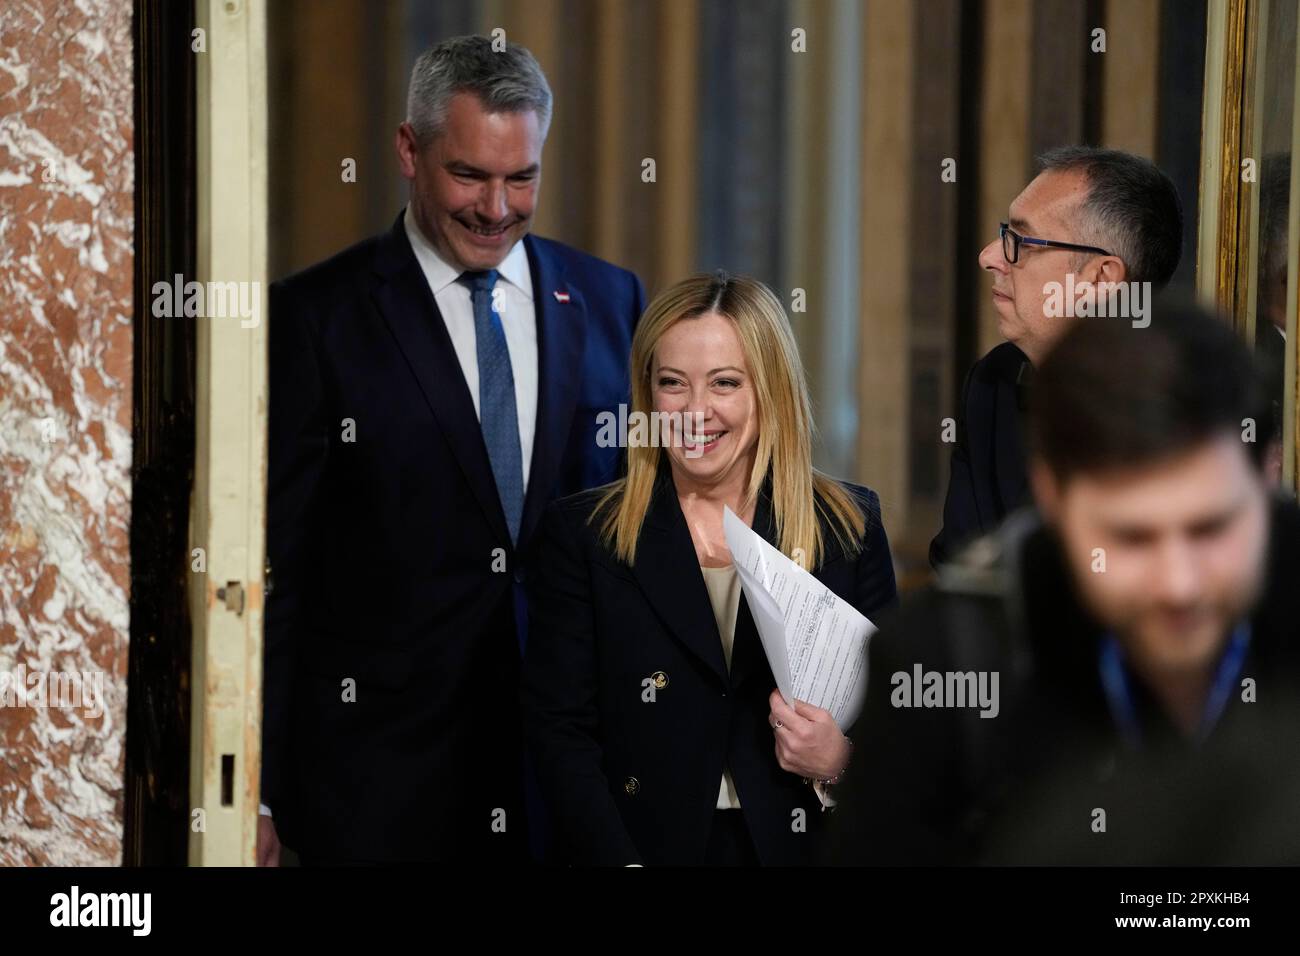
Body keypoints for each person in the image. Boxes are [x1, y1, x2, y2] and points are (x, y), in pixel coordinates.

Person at [260, 36, 645, 865]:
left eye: (522, 177)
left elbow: (634, 535)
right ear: (408, 149)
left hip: (564, 790)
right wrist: (256, 789)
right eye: (469, 175)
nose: (497, 207)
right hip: (377, 795)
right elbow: (275, 572)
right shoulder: (315, 318)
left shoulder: (612, 300)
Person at [830, 298, 1300, 865]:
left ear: (1267, 475)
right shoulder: (942, 662)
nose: (1179, 584)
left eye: (1211, 529)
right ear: (1051, 494)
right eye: (1132, 538)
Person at [523, 272, 898, 866]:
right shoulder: (583, 533)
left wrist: (840, 761)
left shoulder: (847, 527)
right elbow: (560, 733)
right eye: (672, 383)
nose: (695, 412)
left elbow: (898, 732)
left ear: (769, 391)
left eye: (724, 383)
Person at [930, 146, 1183, 567]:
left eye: (1020, 242)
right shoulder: (993, 381)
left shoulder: (1177, 420)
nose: (989, 257)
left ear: (1101, 279)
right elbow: (956, 570)